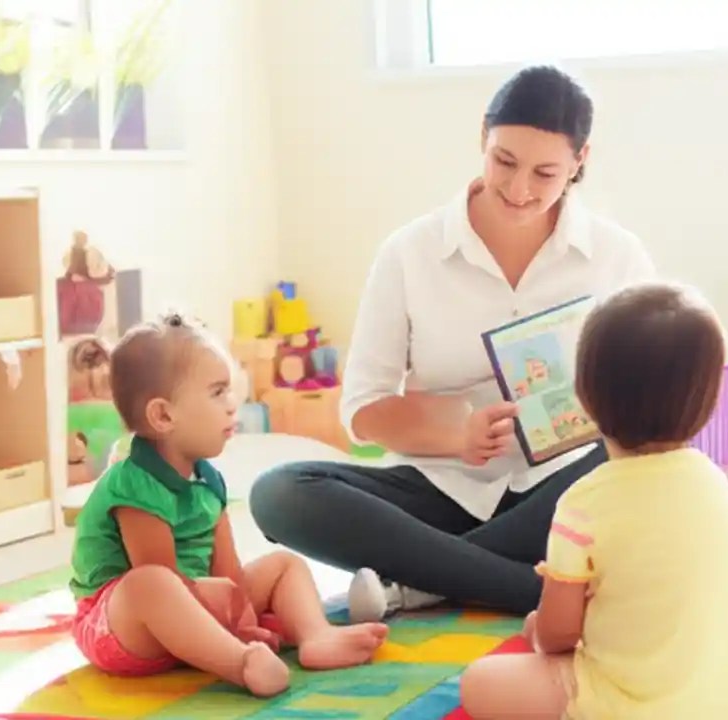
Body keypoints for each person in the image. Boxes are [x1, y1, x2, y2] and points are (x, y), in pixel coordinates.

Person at [249, 64, 655, 620]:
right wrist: (454, 433)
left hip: (563, 494)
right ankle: (531, 589)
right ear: (482, 138)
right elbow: (362, 410)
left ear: (579, 162)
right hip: (437, 491)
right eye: (504, 161)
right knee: (280, 491)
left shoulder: (618, 256)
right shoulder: (409, 253)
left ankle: (424, 585)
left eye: (545, 173)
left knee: (636, 463)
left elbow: (654, 398)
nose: (518, 190)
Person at [459, 283, 728, 720]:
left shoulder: (585, 500)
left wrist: (539, 632)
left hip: (627, 706)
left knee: (481, 682)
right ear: (711, 401)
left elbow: (559, 634)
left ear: (583, 397)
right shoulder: (716, 482)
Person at [68, 313, 389, 697]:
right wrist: (223, 611)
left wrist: (237, 610)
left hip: (194, 608)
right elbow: (163, 581)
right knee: (150, 584)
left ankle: (315, 635)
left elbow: (229, 574)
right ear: (163, 415)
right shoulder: (134, 483)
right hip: (123, 628)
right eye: (217, 392)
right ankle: (240, 663)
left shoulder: (207, 479)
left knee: (284, 565)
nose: (233, 404)